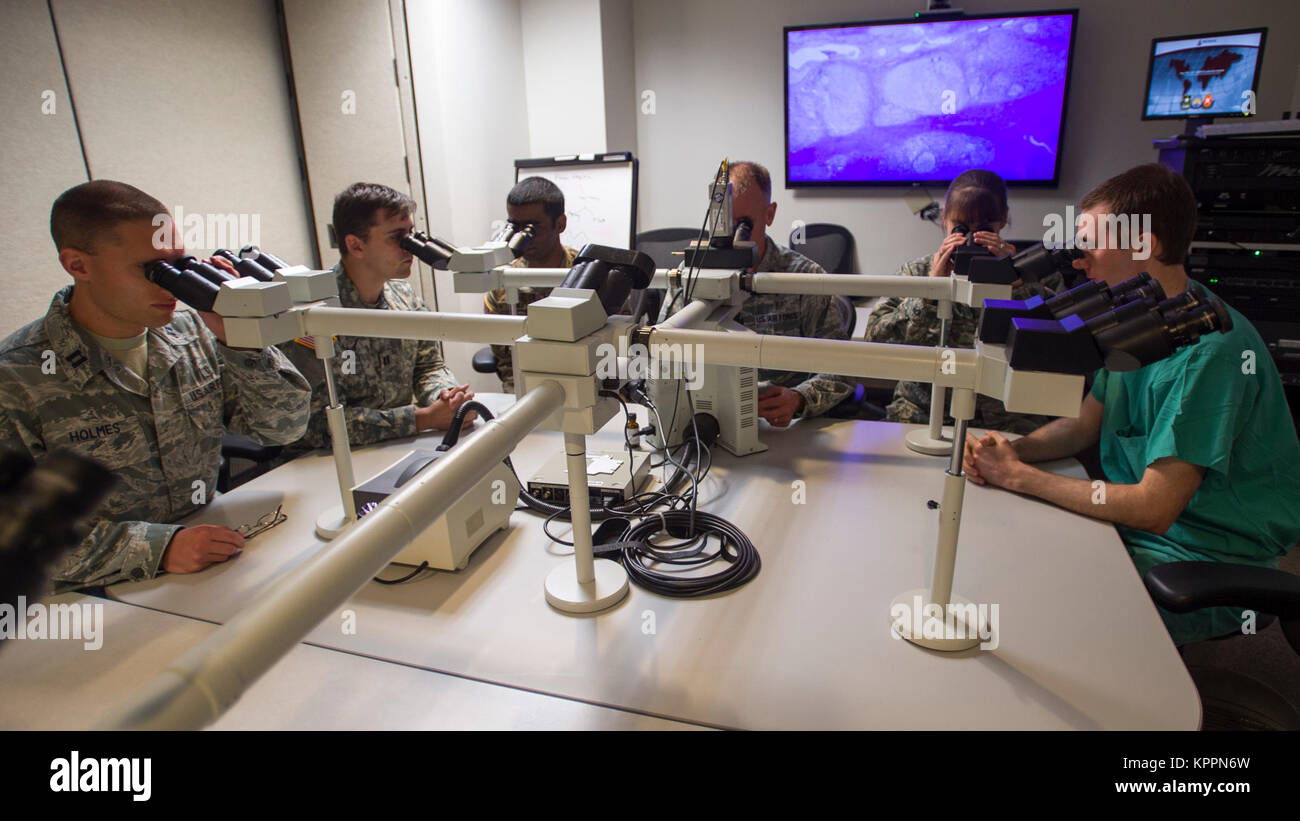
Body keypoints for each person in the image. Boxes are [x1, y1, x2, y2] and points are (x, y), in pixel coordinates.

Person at [963, 163, 1300, 645]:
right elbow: (1083, 425)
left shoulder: (1211, 350)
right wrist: (1013, 450)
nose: (1081, 261)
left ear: (1149, 244)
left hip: (1199, 555)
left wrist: (1019, 476)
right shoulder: (1138, 323)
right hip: (1131, 532)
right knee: (1003, 549)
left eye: (1092, 244)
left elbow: (1153, 506)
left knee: (1030, 608)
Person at [0, 180, 311, 589]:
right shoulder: (17, 377)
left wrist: (239, 343)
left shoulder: (193, 336)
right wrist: (159, 547)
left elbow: (283, 428)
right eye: (151, 270)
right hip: (94, 597)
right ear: (78, 265)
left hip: (209, 556)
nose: (170, 285)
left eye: (177, 266)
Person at [280, 183, 476, 454]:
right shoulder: (314, 315)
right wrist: (422, 419)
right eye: (398, 237)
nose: (411, 249)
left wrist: (446, 398)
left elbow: (428, 365)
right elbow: (315, 423)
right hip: (329, 460)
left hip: (400, 447)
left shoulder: (403, 296)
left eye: (412, 235)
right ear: (356, 245)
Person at [864, 169, 1061, 434]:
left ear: (1002, 219)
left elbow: (1059, 345)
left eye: (983, 229)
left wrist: (1018, 286)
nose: (970, 239)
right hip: (921, 414)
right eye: (961, 228)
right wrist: (929, 293)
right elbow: (875, 344)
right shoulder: (917, 272)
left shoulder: (1031, 273)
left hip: (1006, 418)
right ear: (944, 217)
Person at [661, 161, 853, 425]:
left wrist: (799, 398)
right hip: (705, 419)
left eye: (743, 224)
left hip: (779, 427)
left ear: (769, 215)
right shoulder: (691, 274)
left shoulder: (803, 277)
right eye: (722, 224)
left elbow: (843, 368)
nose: (731, 238)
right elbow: (660, 352)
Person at [483, 176, 579, 393]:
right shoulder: (502, 284)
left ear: (560, 224)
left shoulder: (589, 276)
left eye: (533, 227)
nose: (524, 236)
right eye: (515, 226)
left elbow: (612, 351)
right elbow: (506, 364)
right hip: (526, 390)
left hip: (586, 387)